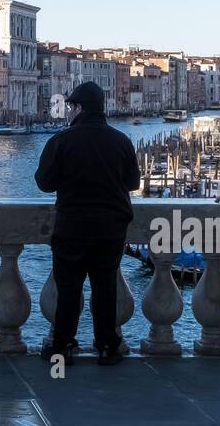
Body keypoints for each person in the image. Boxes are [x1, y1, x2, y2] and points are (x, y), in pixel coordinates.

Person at [34, 81, 141, 367]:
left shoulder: (61, 141)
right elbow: (133, 182)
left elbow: (44, 183)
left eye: (70, 107)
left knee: (69, 289)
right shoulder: (121, 141)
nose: (68, 112)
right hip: (110, 229)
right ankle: (107, 346)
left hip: (72, 228)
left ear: (79, 108)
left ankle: (62, 346)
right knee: (105, 287)